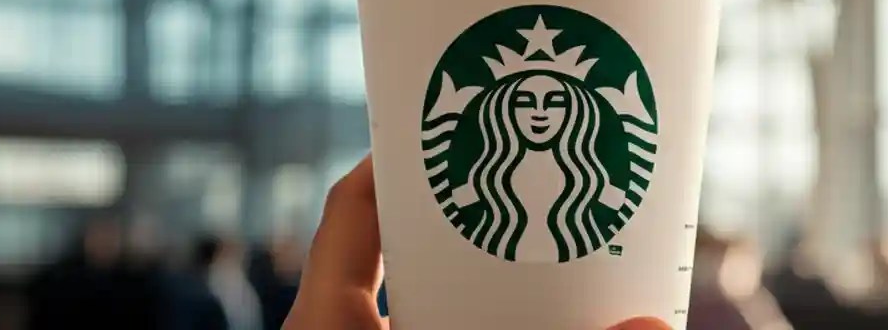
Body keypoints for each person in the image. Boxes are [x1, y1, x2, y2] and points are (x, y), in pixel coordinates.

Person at [284, 155, 670, 330]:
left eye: (554, 101)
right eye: (524, 101)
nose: (539, 114)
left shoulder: (599, 191)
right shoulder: (477, 188)